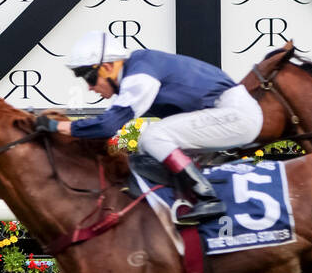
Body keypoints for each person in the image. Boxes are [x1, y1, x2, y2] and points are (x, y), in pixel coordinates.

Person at [36, 31, 264, 221]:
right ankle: (177, 195)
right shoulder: (133, 76)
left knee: (154, 135)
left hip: (236, 115)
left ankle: (207, 199)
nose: (89, 88)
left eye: (89, 78)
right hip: (222, 113)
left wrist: (59, 128)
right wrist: (112, 151)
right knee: (143, 138)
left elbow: (108, 125)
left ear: (106, 67)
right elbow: (117, 133)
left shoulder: (140, 75)